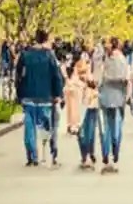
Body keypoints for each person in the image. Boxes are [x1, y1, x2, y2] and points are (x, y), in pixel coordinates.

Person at [16, 29, 65, 168]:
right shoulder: (49, 55)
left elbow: (18, 76)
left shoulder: (25, 55)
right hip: (45, 97)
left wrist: (19, 94)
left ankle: (32, 156)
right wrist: (58, 94)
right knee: (46, 128)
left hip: (28, 96)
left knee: (29, 127)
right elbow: (56, 76)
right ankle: (48, 155)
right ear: (46, 39)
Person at [98, 37, 129, 173]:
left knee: (107, 127)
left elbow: (100, 79)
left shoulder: (106, 60)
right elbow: (126, 79)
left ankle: (107, 153)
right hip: (119, 97)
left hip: (106, 96)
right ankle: (114, 152)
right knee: (117, 126)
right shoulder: (123, 60)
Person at [76, 53, 100, 170]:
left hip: (91, 106)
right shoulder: (76, 81)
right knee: (83, 133)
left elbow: (96, 88)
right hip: (82, 107)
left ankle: (89, 154)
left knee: (89, 132)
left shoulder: (92, 78)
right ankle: (85, 156)